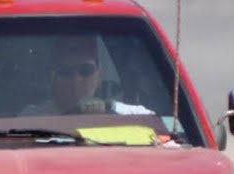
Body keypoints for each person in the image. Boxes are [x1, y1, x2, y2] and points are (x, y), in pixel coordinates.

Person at [19, 36, 154, 116]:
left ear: (99, 77)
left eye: (85, 70)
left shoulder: (123, 114)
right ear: (51, 78)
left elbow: (162, 129)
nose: (76, 80)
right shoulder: (33, 118)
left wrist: (105, 113)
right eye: (64, 71)